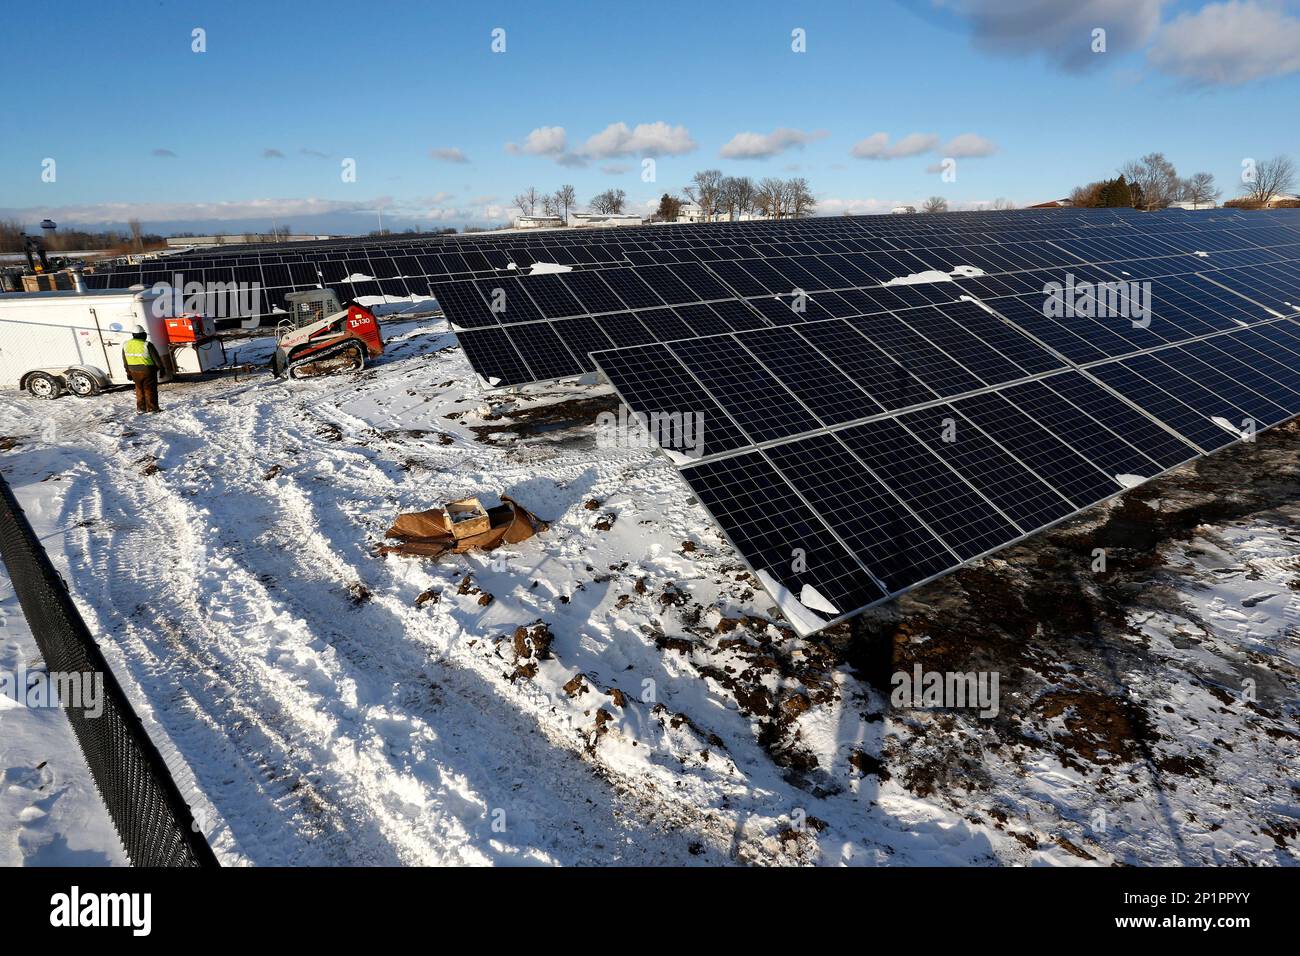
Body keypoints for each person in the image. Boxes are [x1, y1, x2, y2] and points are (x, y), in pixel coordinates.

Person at [122, 325, 163, 413]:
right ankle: (152, 408)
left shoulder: (126, 344)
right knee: (149, 389)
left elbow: (125, 360)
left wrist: (128, 372)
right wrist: (162, 369)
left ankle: (141, 408)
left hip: (133, 371)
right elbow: (156, 359)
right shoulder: (147, 344)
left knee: (139, 389)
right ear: (142, 334)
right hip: (147, 371)